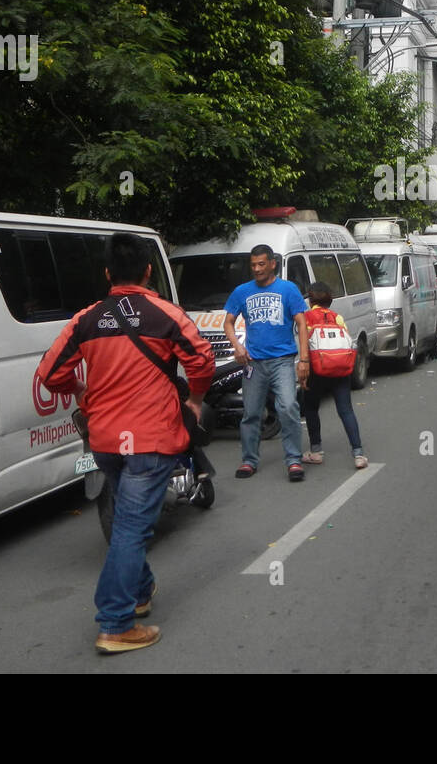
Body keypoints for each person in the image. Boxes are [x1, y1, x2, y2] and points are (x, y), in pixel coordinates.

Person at [36, 232, 217, 654]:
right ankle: (115, 624)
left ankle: (139, 594)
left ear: (107, 274)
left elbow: (49, 372)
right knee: (132, 529)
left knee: (126, 525)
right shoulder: (166, 313)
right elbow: (202, 359)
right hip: (151, 439)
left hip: (104, 440)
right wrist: (193, 398)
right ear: (149, 271)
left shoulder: (87, 318)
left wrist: (82, 392)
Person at [223, 245, 310, 483]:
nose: (257, 269)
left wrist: (304, 359)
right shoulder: (242, 291)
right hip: (254, 363)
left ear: (273, 264)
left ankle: (293, 459)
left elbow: (302, 323)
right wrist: (237, 347)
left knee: (288, 407)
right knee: (251, 413)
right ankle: (249, 460)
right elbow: (228, 322)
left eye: (262, 264)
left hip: (282, 361)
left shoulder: (288, 289)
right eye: (253, 265)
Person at [299, 282, 368, 471]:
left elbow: (304, 344)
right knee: (346, 410)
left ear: (310, 299)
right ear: (329, 299)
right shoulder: (337, 317)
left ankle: (316, 451)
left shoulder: (306, 317)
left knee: (311, 407)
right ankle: (358, 453)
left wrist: (303, 370)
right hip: (340, 368)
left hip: (317, 369)